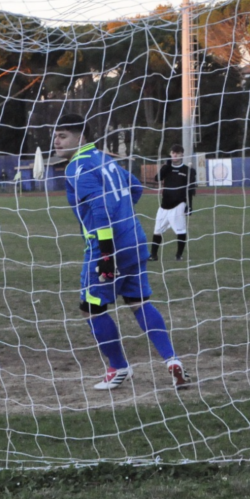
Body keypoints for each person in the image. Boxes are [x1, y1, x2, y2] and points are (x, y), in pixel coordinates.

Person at [52, 114, 190, 390]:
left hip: (107, 247)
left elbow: (101, 210)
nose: (57, 141)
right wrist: (125, 216)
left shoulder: (77, 167)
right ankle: (171, 360)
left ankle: (119, 368)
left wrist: (105, 255)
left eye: (63, 135)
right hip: (135, 239)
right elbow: (136, 187)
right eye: (56, 135)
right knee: (138, 302)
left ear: (81, 137)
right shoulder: (105, 159)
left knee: (91, 308)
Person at [151, 144, 196, 261]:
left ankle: (179, 255)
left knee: (180, 230)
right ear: (170, 154)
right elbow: (157, 178)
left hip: (179, 204)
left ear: (182, 155)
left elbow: (190, 190)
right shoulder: (167, 168)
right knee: (157, 230)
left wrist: (189, 206)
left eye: (177, 152)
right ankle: (153, 255)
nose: (175, 154)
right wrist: (167, 166)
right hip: (164, 205)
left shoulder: (188, 170)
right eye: (173, 152)